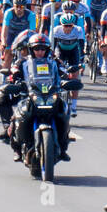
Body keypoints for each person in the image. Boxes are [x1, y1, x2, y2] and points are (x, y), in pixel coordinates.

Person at [11, 34, 74, 163]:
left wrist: (67, 79)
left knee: (64, 114)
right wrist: (14, 78)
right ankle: (17, 149)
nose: (40, 52)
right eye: (36, 49)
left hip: (51, 95)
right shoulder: (22, 62)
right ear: (30, 49)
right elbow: (13, 71)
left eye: (42, 49)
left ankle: (62, 147)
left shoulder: (55, 62)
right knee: (16, 118)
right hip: (30, 96)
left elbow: (65, 72)